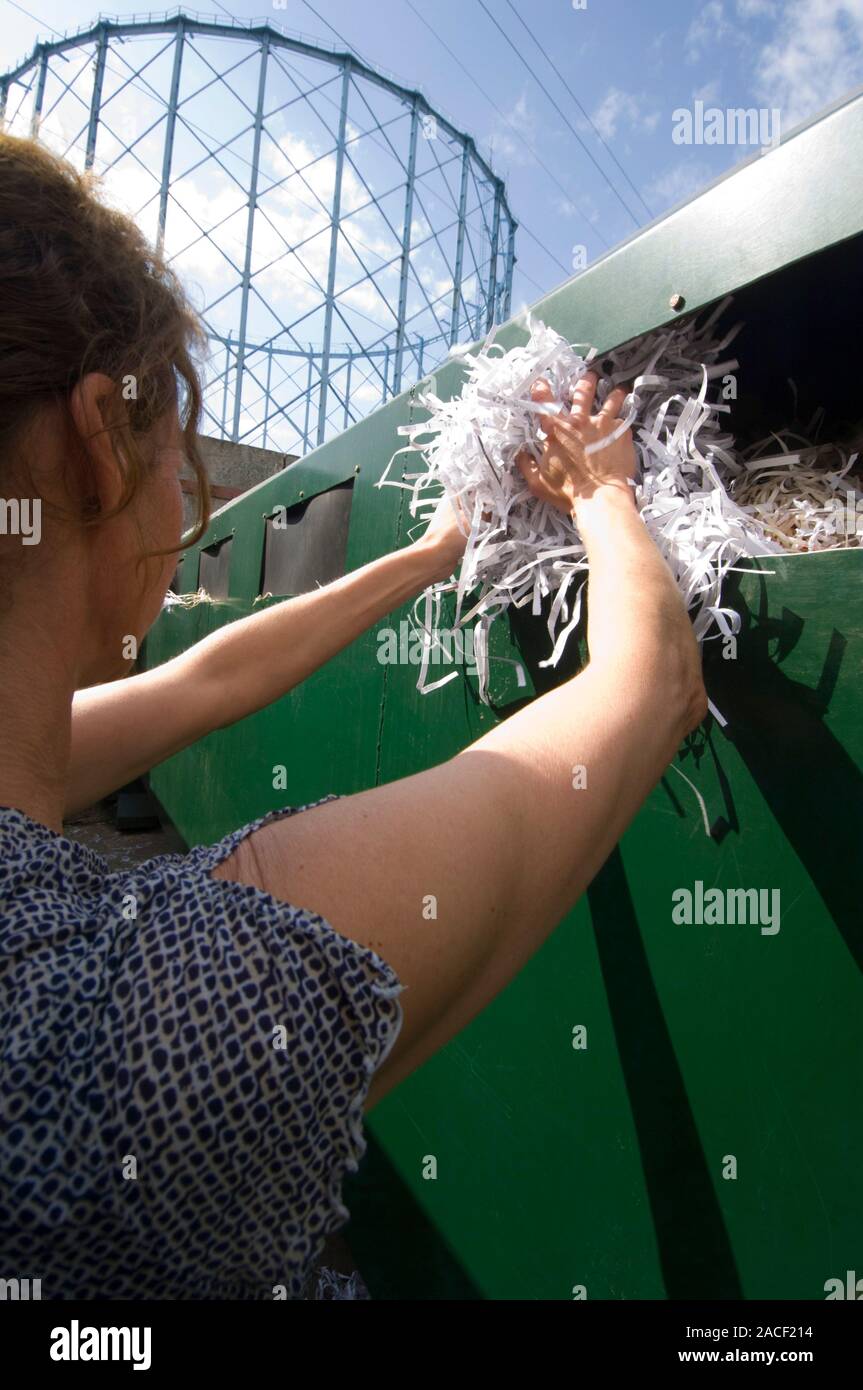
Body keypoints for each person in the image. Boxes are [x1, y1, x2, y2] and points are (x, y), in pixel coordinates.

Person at [0, 134, 707, 1300]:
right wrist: (606, 494)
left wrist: (430, 555)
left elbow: (208, 682)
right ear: (95, 440)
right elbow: (653, 684)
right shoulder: (146, 1034)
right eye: (178, 453)